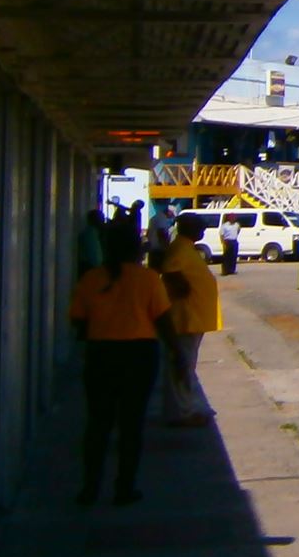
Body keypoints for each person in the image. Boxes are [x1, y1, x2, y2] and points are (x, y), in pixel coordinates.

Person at [67, 221, 176, 506]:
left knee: (98, 424)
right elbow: (163, 320)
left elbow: (77, 319)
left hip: (101, 354)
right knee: (132, 424)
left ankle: (89, 489)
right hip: (139, 355)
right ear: (136, 249)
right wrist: (176, 353)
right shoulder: (148, 279)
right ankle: (124, 488)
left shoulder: (91, 279)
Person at [158, 212, 220, 427]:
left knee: (185, 365)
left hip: (193, 317)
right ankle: (181, 413)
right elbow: (170, 271)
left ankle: (183, 408)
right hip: (185, 317)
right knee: (181, 366)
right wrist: (183, 288)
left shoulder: (185, 247)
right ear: (189, 228)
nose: (203, 230)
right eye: (200, 226)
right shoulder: (180, 248)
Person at [77, 209, 106, 277]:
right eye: (102, 219)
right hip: (89, 270)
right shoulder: (91, 235)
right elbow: (96, 260)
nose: (103, 222)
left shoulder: (88, 233)